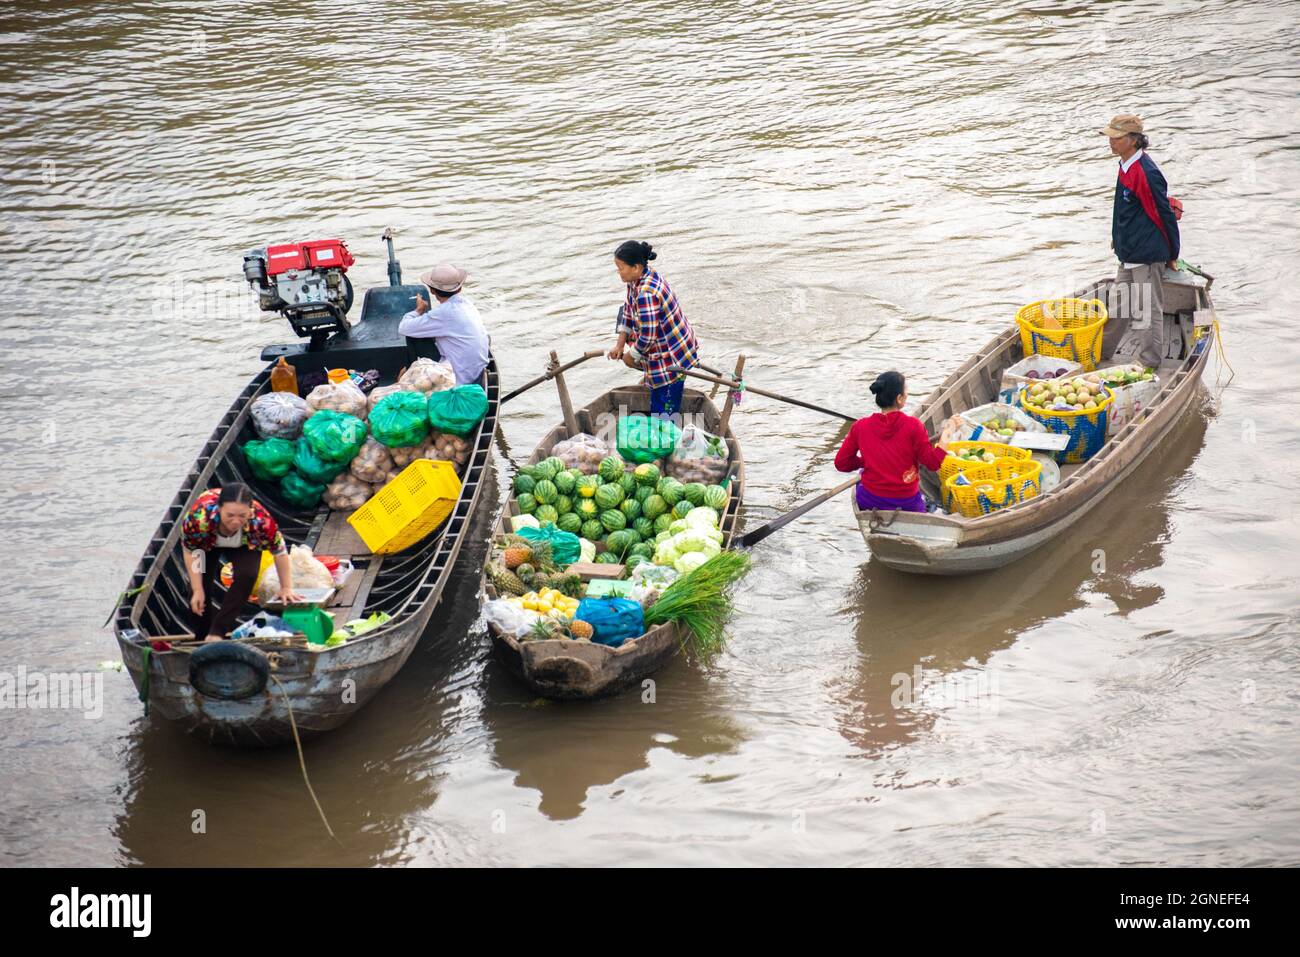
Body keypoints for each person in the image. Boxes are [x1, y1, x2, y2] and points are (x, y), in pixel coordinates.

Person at [1100, 113, 1181, 370]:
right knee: (1118, 307)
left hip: (1146, 254)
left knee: (1146, 312)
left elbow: (1163, 215)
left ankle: (1149, 362)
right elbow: (1123, 211)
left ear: (1133, 140)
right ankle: (1101, 354)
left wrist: (1172, 253)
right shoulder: (1125, 164)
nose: (1111, 142)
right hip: (1128, 252)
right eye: (1110, 137)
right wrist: (1118, 238)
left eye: (1117, 137)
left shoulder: (1147, 172)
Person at [182, 484, 302, 642]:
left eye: (242, 515)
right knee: (199, 590)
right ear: (219, 509)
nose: (235, 521)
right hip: (207, 542)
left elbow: (279, 553)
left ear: (250, 511)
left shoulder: (260, 521)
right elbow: (191, 550)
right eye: (230, 515)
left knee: (247, 575)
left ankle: (217, 633)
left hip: (246, 542)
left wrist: (286, 587)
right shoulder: (199, 519)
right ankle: (201, 637)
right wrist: (197, 589)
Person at [607, 240, 700, 419]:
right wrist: (619, 345)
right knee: (623, 316)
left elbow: (648, 337)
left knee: (663, 411)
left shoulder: (646, 294)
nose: (619, 272)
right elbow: (627, 309)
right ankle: (652, 381)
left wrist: (630, 356)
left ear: (636, 267)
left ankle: (666, 427)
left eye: (621, 268)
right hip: (661, 343)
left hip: (672, 354)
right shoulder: (636, 280)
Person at [834, 371, 948, 514]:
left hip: (870, 501)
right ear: (899, 398)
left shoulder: (860, 426)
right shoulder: (914, 426)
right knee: (927, 502)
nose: (907, 395)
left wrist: (864, 462)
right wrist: (945, 439)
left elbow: (842, 463)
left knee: (862, 479)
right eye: (906, 392)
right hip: (907, 503)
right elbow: (932, 463)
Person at [398, 263, 491, 385]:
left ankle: (409, 372)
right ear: (459, 288)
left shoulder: (443, 313)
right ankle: (409, 370)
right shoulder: (468, 304)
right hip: (476, 372)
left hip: (459, 379)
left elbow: (404, 328)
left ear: (431, 290)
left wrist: (418, 310)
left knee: (413, 336)